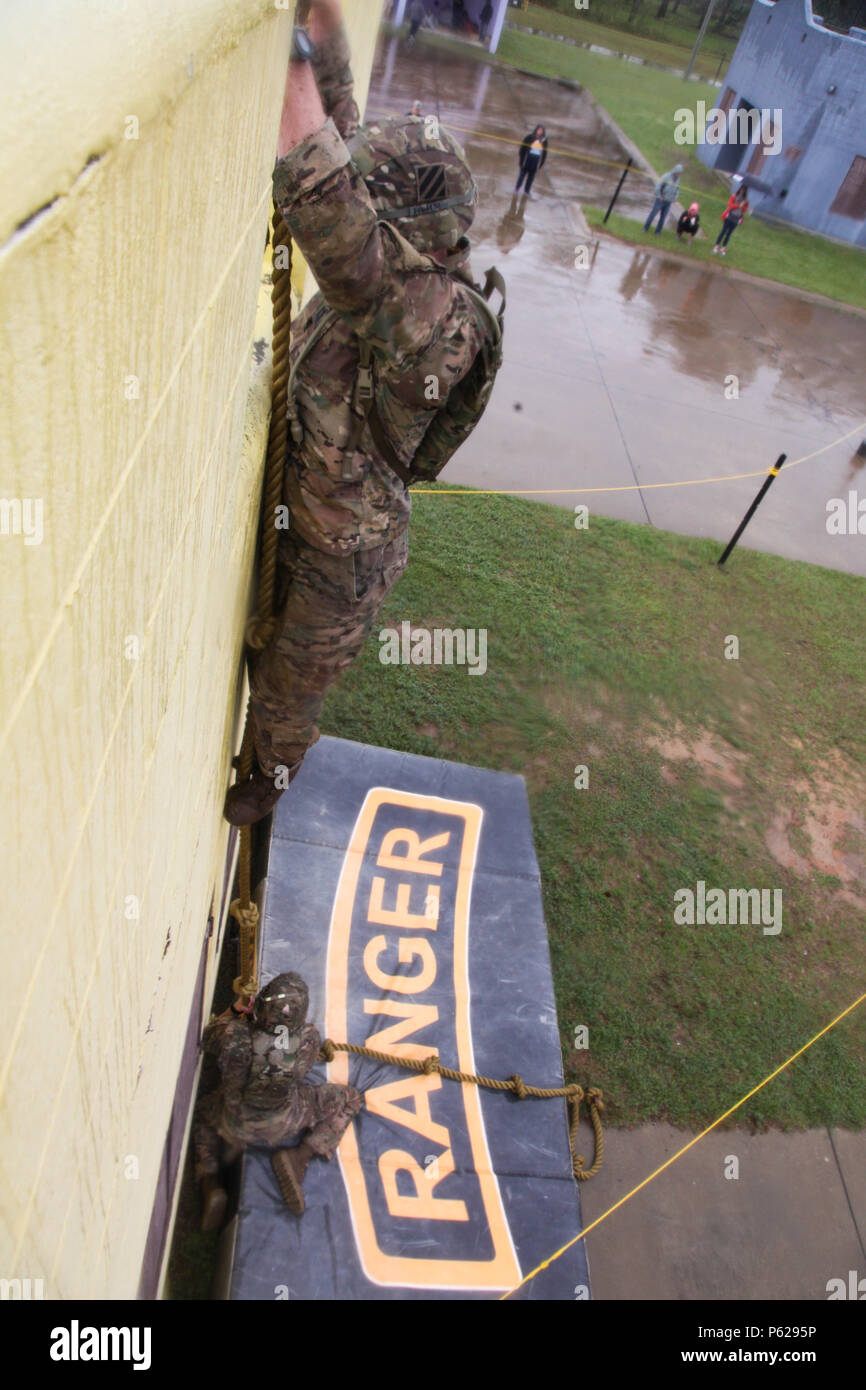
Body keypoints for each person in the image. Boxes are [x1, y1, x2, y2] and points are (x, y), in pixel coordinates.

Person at [223, 0, 504, 826]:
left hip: (341, 558)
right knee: (270, 662)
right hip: (311, 507)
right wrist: (318, 22)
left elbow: (335, 222)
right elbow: (343, 128)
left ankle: (260, 796)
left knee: (285, 695)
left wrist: (289, 73)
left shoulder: (436, 321)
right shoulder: (417, 254)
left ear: (409, 228)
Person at [193, 973, 362, 1224]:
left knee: (203, 1113)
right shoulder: (308, 1040)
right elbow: (293, 1059)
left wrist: (236, 1011)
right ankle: (301, 1155)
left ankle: (210, 1180)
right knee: (350, 1099)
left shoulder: (234, 1035)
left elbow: (208, 1038)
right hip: (285, 1121)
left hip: (232, 1119)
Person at [643, 163, 683, 235]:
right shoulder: (666, 176)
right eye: (678, 173)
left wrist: (675, 198)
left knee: (663, 217)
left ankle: (658, 232)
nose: (679, 174)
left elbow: (677, 189)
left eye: (680, 173)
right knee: (653, 214)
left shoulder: (678, 180)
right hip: (660, 200)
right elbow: (658, 186)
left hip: (668, 201)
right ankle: (645, 228)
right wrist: (659, 196)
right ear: (675, 171)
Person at [713, 184, 749, 256]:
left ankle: (723, 248)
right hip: (729, 216)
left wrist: (744, 205)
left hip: (736, 219)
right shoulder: (734, 196)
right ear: (740, 189)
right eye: (742, 189)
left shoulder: (746, 200)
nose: (742, 191)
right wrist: (738, 205)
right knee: (723, 231)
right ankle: (717, 245)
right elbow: (730, 205)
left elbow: (744, 211)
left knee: (729, 234)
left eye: (744, 190)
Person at [515, 124, 547, 197]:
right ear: (536, 130)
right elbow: (522, 148)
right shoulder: (529, 137)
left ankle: (527, 191)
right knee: (521, 176)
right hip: (527, 160)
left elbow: (544, 153)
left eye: (541, 131)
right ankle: (517, 188)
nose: (540, 132)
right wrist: (521, 160)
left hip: (535, 161)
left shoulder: (544, 141)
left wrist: (541, 164)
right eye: (539, 130)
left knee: (531, 178)